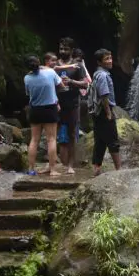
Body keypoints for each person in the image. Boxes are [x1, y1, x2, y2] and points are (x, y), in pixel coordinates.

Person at [23, 53, 62, 176]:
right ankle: (53, 169)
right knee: (51, 140)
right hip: (50, 108)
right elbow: (61, 85)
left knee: (34, 140)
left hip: (35, 109)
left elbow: (28, 94)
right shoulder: (50, 73)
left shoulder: (27, 78)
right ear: (39, 62)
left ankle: (31, 168)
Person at [55, 38, 89, 175]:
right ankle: (58, 165)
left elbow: (85, 84)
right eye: (61, 49)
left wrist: (71, 81)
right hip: (57, 104)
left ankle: (70, 165)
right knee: (56, 136)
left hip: (73, 104)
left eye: (66, 49)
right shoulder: (55, 65)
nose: (63, 51)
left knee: (71, 134)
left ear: (72, 50)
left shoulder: (77, 66)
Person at [91, 48, 122, 176]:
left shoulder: (97, 73)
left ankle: (96, 168)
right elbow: (104, 95)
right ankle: (119, 170)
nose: (110, 61)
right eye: (106, 59)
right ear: (99, 62)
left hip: (96, 112)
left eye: (110, 58)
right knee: (113, 140)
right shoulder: (103, 76)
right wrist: (109, 113)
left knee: (100, 140)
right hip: (104, 111)